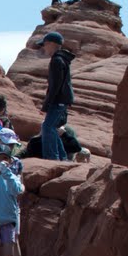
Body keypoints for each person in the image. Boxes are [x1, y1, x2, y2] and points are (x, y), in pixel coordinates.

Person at [35, 31, 75, 161]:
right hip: (62, 99)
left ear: (52, 44)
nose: (43, 47)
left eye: (45, 44)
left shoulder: (57, 60)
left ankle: (52, 157)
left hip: (59, 100)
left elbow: (55, 85)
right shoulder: (61, 58)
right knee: (51, 127)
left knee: (48, 127)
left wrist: (46, 104)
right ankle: (62, 157)